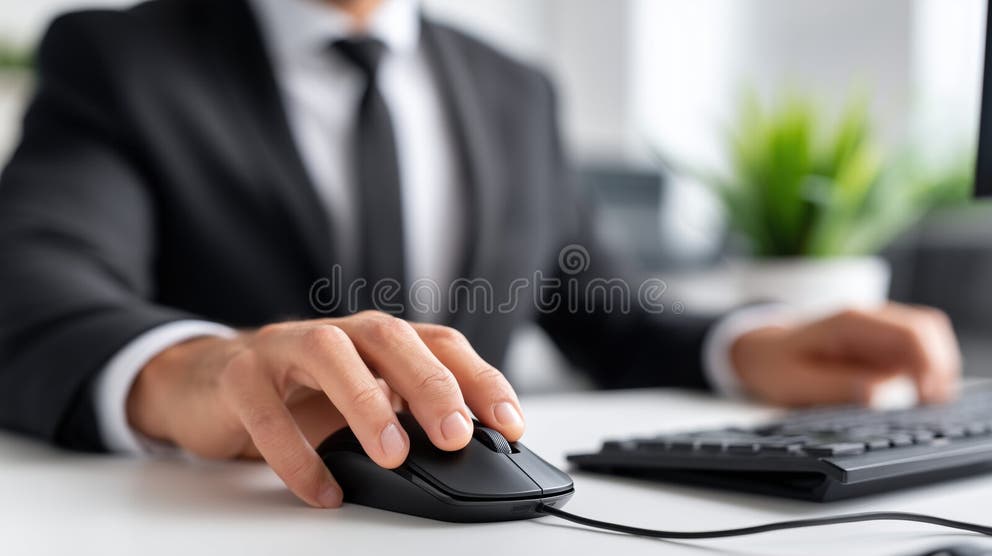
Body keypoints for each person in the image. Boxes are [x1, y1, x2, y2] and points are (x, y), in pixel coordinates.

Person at [0, 0, 960, 510]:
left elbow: (606, 310)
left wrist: (753, 343)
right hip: (241, 521)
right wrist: (191, 370)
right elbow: (36, 278)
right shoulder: (120, 54)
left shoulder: (514, 89)